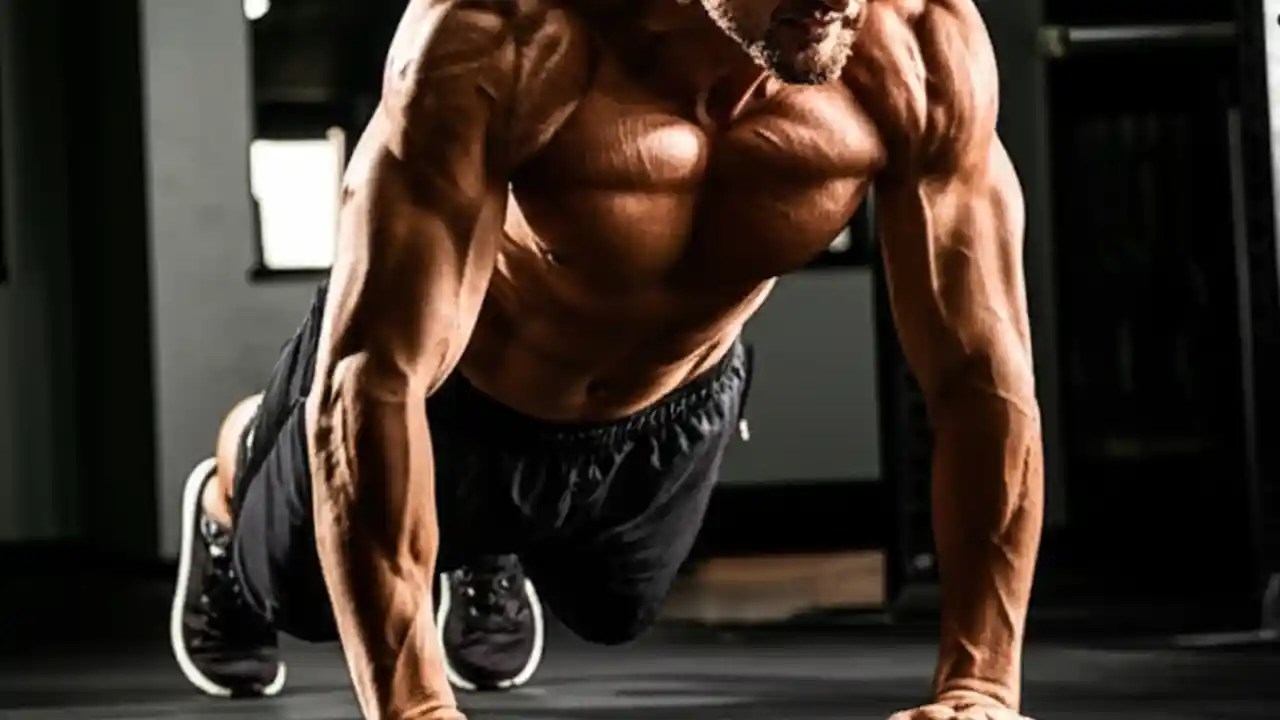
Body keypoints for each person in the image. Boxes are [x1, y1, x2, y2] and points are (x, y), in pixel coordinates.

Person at [168, 0, 1045, 717]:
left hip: (666, 411)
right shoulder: (501, 31)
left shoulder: (918, 44)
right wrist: (417, 710)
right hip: (451, 397)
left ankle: (480, 548)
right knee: (299, 597)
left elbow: (981, 378)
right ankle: (232, 483)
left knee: (614, 611)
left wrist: (981, 689)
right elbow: (376, 376)